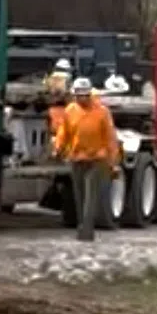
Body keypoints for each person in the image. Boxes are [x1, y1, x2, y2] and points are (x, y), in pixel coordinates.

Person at [55, 76, 120, 242]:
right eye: (78, 95)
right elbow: (64, 133)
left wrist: (113, 162)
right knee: (80, 197)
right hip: (77, 159)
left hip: (97, 160)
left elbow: (110, 138)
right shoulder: (70, 111)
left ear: (90, 94)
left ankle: (86, 231)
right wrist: (58, 148)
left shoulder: (102, 112)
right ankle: (82, 226)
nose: (81, 98)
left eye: (84, 95)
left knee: (90, 198)